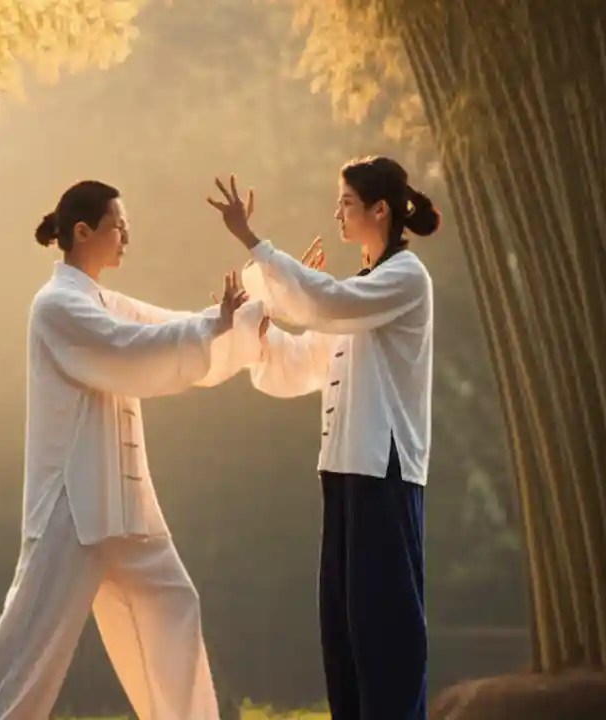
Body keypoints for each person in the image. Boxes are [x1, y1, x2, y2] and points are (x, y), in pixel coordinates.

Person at [0, 180, 260, 720]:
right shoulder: (57, 305)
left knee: (173, 606)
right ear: (83, 232)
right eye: (119, 226)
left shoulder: (103, 299)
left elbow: (166, 324)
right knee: (31, 648)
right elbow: (128, 347)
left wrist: (255, 305)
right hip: (71, 509)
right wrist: (213, 323)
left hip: (126, 505)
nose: (127, 237)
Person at [207, 157, 440, 719]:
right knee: (345, 633)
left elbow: (328, 303)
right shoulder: (358, 291)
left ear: (379, 210)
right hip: (341, 472)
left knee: (385, 632)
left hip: (382, 472)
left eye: (347, 203)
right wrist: (264, 331)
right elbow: (303, 362)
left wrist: (254, 242)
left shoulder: (404, 279)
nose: (337, 212)